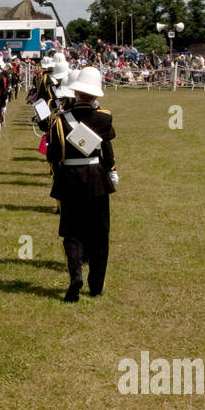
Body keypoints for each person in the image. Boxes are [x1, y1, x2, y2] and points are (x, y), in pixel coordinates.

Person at [46, 67, 117, 302]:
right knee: (99, 233)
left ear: (75, 91)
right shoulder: (104, 117)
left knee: (72, 232)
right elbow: (107, 146)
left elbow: (53, 155)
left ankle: (75, 275)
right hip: (96, 177)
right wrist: (111, 171)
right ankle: (96, 285)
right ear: (95, 94)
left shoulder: (58, 120)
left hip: (69, 179)